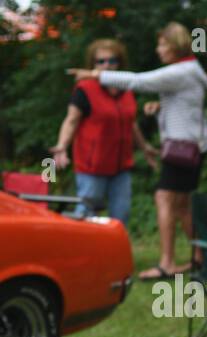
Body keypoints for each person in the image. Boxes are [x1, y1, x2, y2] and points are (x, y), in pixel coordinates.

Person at [69, 22, 207, 279]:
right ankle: (201, 256)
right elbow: (186, 106)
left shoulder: (181, 71)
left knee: (164, 199)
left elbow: (138, 81)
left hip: (182, 148)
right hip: (192, 146)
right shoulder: (188, 71)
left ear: (175, 46)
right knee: (181, 205)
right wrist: (161, 109)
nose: (158, 49)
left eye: (162, 44)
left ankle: (167, 263)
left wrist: (95, 75)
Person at [51, 39, 158, 224]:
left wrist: (145, 147)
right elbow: (71, 120)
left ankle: (114, 252)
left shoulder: (127, 88)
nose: (107, 65)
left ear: (120, 63)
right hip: (92, 165)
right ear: (93, 64)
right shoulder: (85, 89)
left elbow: (131, 124)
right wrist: (61, 146)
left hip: (121, 166)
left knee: (121, 215)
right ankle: (84, 252)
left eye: (112, 60)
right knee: (87, 214)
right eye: (101, 61)